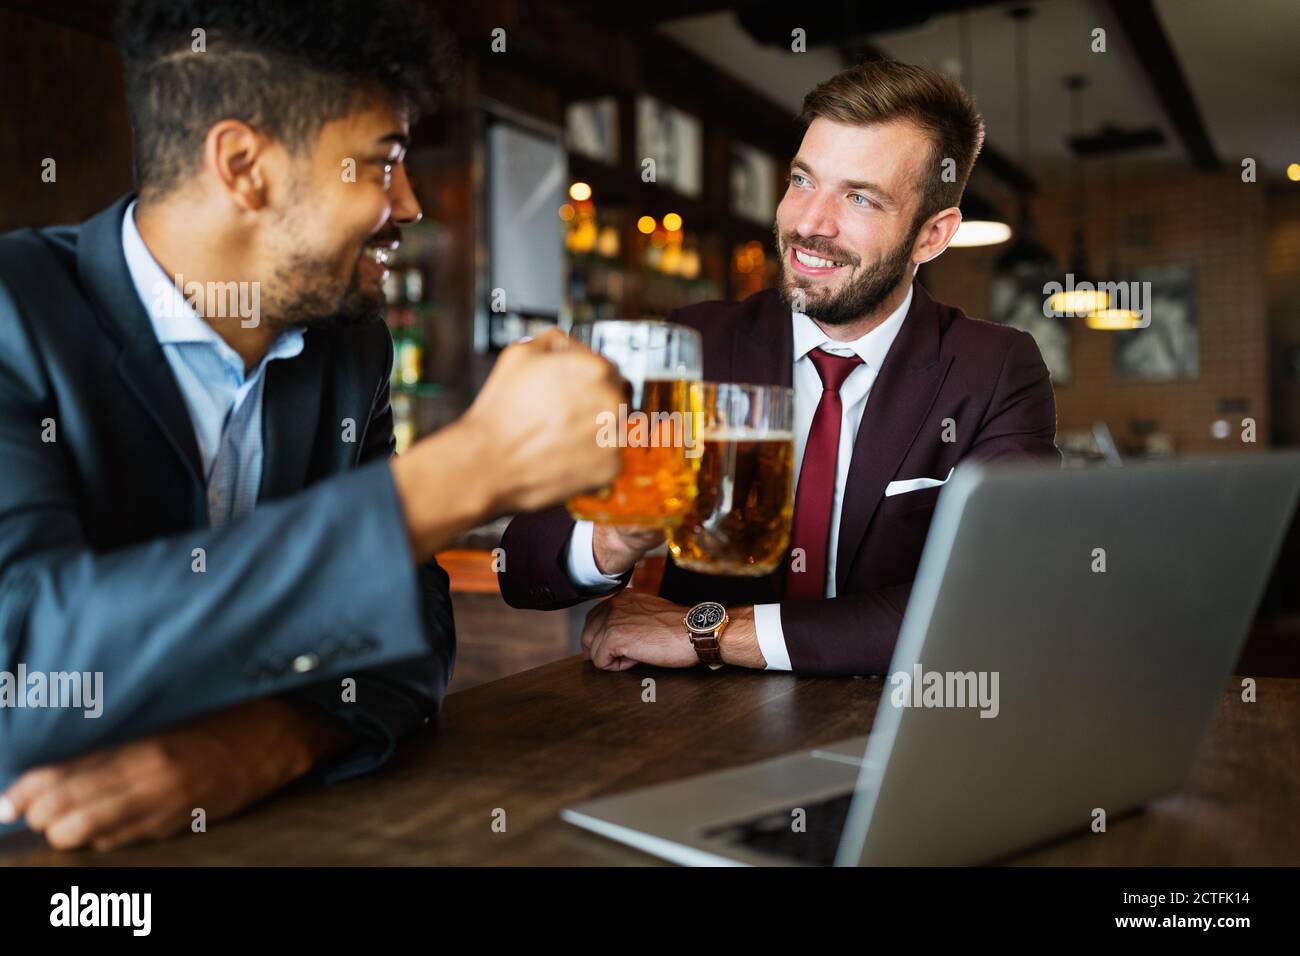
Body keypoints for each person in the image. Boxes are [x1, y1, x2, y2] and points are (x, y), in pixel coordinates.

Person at [0, 0, 622, 850]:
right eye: (382, 162)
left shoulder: (349, 346)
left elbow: (413, 635)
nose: (408, 205)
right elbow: (27, 672)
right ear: (244, 165)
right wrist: (466, 470)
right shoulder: (13, 316)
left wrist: (262, 746)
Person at [498, 60, 1061, 676]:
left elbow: (996, 598)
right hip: (699, 737)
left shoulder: (994, 369)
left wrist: (706, 632)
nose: (809, 224)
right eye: (802, 180)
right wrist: (613, 539)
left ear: (932, 236)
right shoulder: (693, 343)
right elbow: (524, 567)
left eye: (859, 197)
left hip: (901, 729)